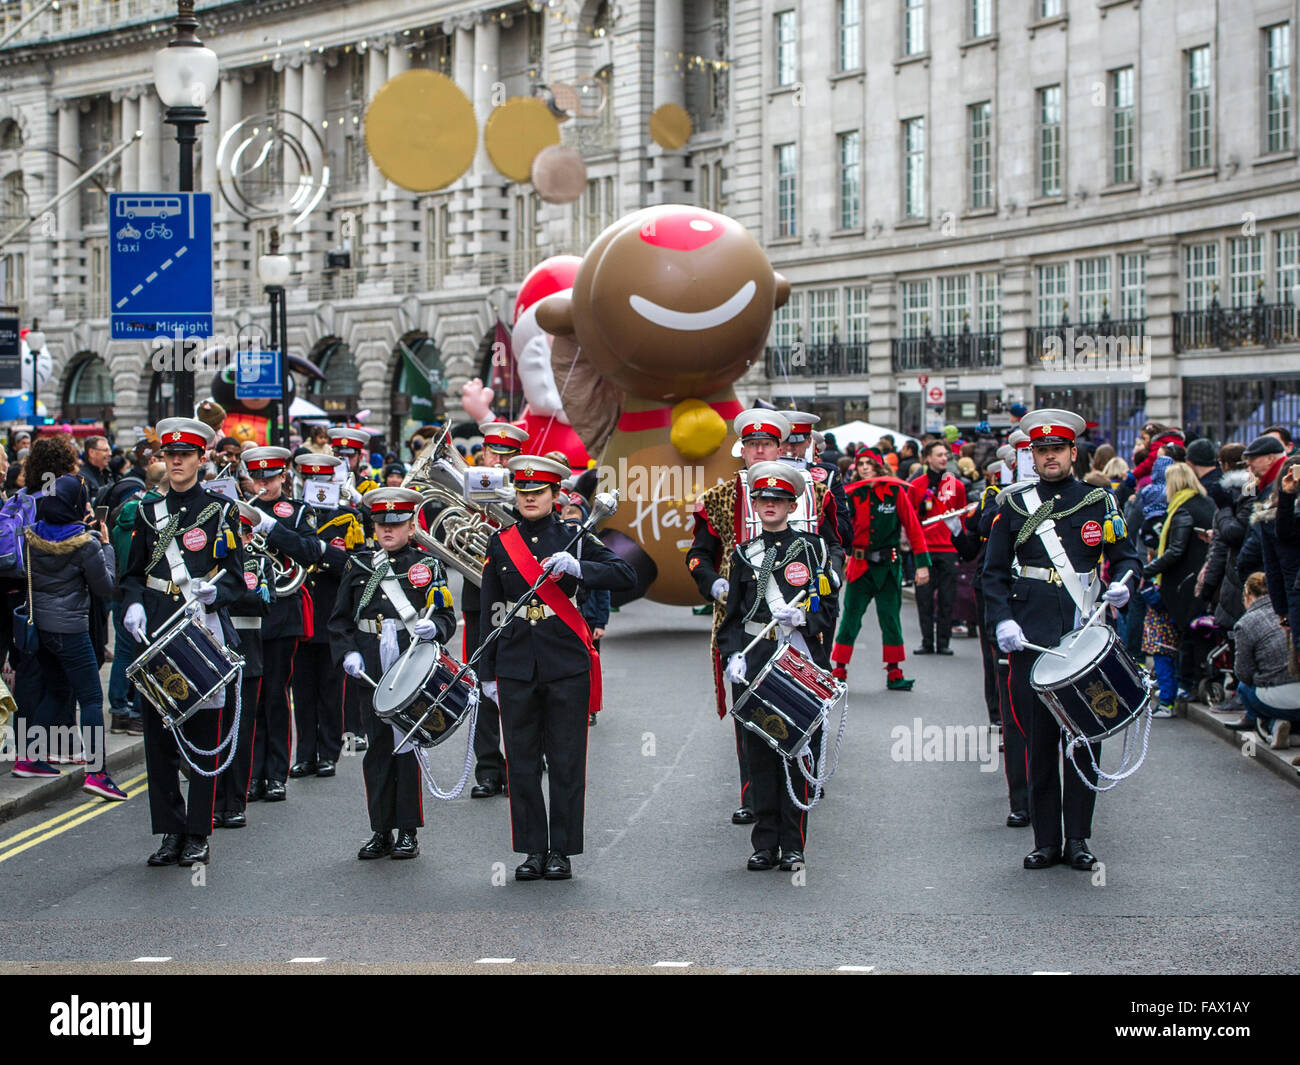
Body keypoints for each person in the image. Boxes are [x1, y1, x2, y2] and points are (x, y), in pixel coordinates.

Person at [982, 408, 1139, 871]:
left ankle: (1079, 839)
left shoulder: (1099, 501)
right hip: (1031, 634)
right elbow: (992, 574)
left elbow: (1127, 555)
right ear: (1031, 456)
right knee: (1040, 740)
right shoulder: (1013, 504)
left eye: (1057, 450)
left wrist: (1125, 583)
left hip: (1082, 629)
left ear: (1073, 452)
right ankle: (1046, 840)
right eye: (1041, 451)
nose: (1049, 458)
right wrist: (1003, 622)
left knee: (1086, 737)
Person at [478, 456, 635, 880]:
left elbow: (626, 573)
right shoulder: (501, 541)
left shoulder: (576, 538)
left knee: (566, 760)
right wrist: (486, 673)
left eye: (538, 493)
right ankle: (531, 850)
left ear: (555, 496)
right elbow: (490, 608)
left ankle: (561, 850)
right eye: (524, 493)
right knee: (523, 761)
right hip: (514, 661)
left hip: (565, 660)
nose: (530, 499)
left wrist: (579, 568)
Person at [687, 409, 843, 825]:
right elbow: (698, 553)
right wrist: (711, 582)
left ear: (781, 448)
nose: (759, 451)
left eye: (767, 444)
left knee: (806, 698)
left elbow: (835, 548)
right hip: (744, 614)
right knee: (749, 706)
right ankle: (754, 794)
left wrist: (827, 585)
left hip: (801, 616)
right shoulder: (722, 495)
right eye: (752, 445)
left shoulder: (813, 492)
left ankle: (804, 780)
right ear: (743, 451)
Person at [122, 418, 247, 868]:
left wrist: (221, 592)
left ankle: (198, 832)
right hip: (157, 626)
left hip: (201, 627)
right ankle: (170, 832)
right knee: (159, 738)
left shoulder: (220, 510)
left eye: (185, 455)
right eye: (170, 455)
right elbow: (132, 574)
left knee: (202, 737)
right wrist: (132, 604)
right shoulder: (146, 510)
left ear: (201, 458)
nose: (176, 461)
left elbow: (240, 576)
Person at [718, 462, 836, 872]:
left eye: (778, 500)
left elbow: (829, 609)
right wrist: (731, 655)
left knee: (797, 751)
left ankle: (794, 844)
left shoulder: (813, 549)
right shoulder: (742, 554)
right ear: (755, 504)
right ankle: (764, 843)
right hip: (755, 656)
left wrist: (803, 620)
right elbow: (731, 617)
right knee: (761, 752)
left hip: (799, 656)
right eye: (763, 499)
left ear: (791, 504)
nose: (770, 505)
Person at [330, 486, 458, 861]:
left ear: (410, 526)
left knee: (406, 745)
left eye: (397, 524)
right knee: (377, 746)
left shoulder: (427, 565)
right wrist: (347, 653)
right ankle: (380, 829)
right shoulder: (359, 565)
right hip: (369, 662)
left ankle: (407, 830)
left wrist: (437, 630)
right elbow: (339, 620)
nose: (388, 531)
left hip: (409, 662)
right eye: (382, 524)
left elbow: (446, 615)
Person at [13, 474, 127, 801]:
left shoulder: (29, 534)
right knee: (91, 699)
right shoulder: (87, 543)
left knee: (57, 688)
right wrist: (105, 545)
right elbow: (105, 587)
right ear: (75, 504)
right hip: (71, 629)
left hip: (40, 626)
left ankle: (29, 758)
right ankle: (97, 773)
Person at [241, 446, 324, 803]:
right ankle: (252, 773)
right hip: (245, 615)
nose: (264, 484)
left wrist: (271, 529)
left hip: (282, 614)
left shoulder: (298, 512)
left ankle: (276, 772)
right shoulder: (236, 511)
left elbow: (309, 551)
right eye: (258, 477)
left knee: (275, 693)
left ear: (283, 477)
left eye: (270, 478)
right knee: (251, 698)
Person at [830, 449, 930, 690]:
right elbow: (840, 530)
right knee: (850, 620)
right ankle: (839, 669)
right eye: (860, 463)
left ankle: (895, 671)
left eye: (869, 463)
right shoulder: (851, 494)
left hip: (888, 567)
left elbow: (913, 528)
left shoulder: (895, 492)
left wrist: (922, 564)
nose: (864, 467)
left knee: (891, 619)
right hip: (860, 566)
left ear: (879, 466)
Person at [290, 452, 364, 777]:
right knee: (302, 689)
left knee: (330, 687)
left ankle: (328, 752)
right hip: (301, 611)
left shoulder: (348, 519)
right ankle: (305, 752)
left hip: (333, 609)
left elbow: (357, 566)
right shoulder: (293, 517)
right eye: (312, 480)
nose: (318, 487)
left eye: (323, 480)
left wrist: (324, 556)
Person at [213, 500, 275, 828]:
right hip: (214, 655)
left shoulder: (258, 564)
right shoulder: (210, 563)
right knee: (213, 730)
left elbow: (264, 603)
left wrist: (224, 593)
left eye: (244, 532)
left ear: (250, 536)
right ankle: (213, 800)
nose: (239, 537)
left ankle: (235, 801)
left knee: (242, 730)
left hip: (248, 657)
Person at [1140, 461, 1217, 713]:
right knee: (1194, 635)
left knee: (1170, 639)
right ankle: (1187, 683)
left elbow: (1175, 550)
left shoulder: (1182, 509)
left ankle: (1178, 690)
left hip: (1183, 584)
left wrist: (1148, 570)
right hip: (1202, 580)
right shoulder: (1205, 502)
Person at [1225, 572, 1300, 747]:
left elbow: (1243, 673)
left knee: (1244, 688)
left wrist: (1260, 678)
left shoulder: (1246, 623)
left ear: (1248, 595)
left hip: (1276, 697)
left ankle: (1272, 725)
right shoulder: (1292, 612)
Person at [908, 439, 967, 655]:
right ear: (927, 458)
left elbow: (961, 517)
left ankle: (943, 642)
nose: (943, 459)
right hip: (924, 549)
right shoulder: (916, 486)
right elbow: (910, 517)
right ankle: (926, 641)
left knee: (947, 598)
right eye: (939, 455)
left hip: (948, 549)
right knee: (923, 597)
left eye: (946, 455)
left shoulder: (956, 485)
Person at [562, 495, 610, 727]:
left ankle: (590, 707)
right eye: (565, 512)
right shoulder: (558, 540)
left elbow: (602, 588)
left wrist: (601, 621)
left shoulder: (591, 543)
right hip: (565, 614)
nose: (568, 516)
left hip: (589, 617)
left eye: (574, 512)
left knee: (589, 663)